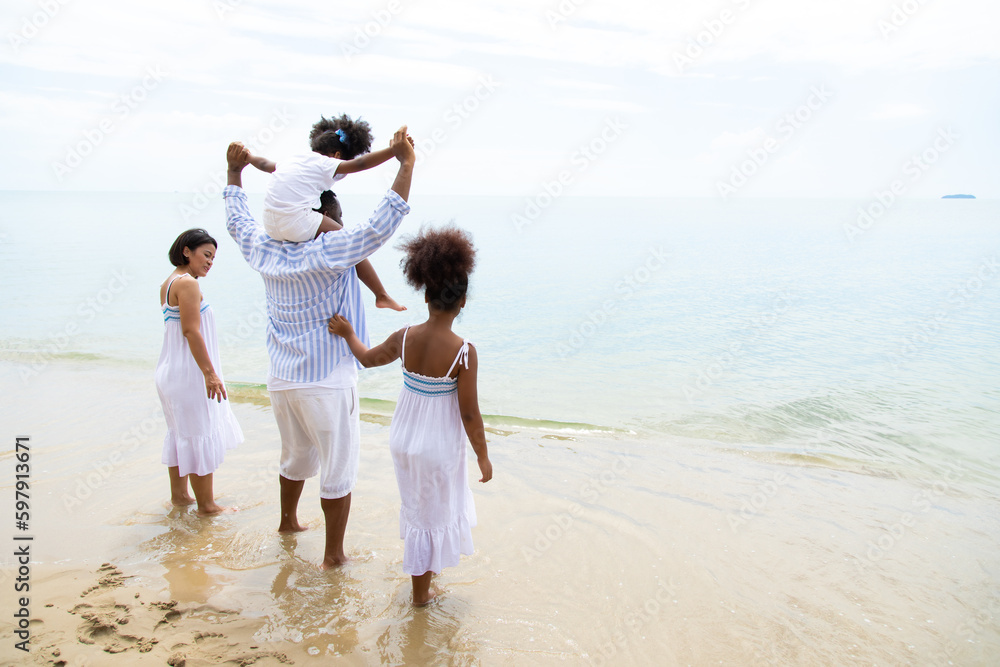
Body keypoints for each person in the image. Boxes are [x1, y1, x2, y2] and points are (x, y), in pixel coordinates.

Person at [223, 125, 415, 569]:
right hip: (327, 382)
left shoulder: (264, 252)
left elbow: (238, 222)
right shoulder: (330, 249)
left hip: (281, 380)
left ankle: (288, 522)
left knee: (294, 457)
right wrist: (405, 163)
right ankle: (333, 555)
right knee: (337, 468)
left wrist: (234, 173)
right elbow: (384, 223)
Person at [328, 225, 493, 606]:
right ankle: (421, 596)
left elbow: (368, 359)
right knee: (430, 514)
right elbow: (469, 414)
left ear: (426, 296)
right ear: (462, 302)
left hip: (403, 440)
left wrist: (349, 333)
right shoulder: (464, 351)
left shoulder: (404, 337)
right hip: (437, 445)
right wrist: (483, 456)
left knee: (420, 510)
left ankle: (424, 583)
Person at [243, 113, 405, 312]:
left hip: (269, 224)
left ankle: (381, 295)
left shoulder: (293, 159)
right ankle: (381, 295)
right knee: (349, 240)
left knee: (334, 233)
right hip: (295, 222)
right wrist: (393, 151)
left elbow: (264, 164)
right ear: (336, 156)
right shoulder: (324, 162)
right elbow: (361, 164)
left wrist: (248, 156)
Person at [154, 228, 243, 516]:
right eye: (206, 255)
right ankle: (207, 505)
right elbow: (191, 331)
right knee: (197, 433)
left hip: (170, 371)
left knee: (181, 433)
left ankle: (180, 496)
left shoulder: (168, 283)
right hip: (188, 373)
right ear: (186, 251)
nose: (210, 262)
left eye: (213, 258)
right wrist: (210, 373)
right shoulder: (188, 284)